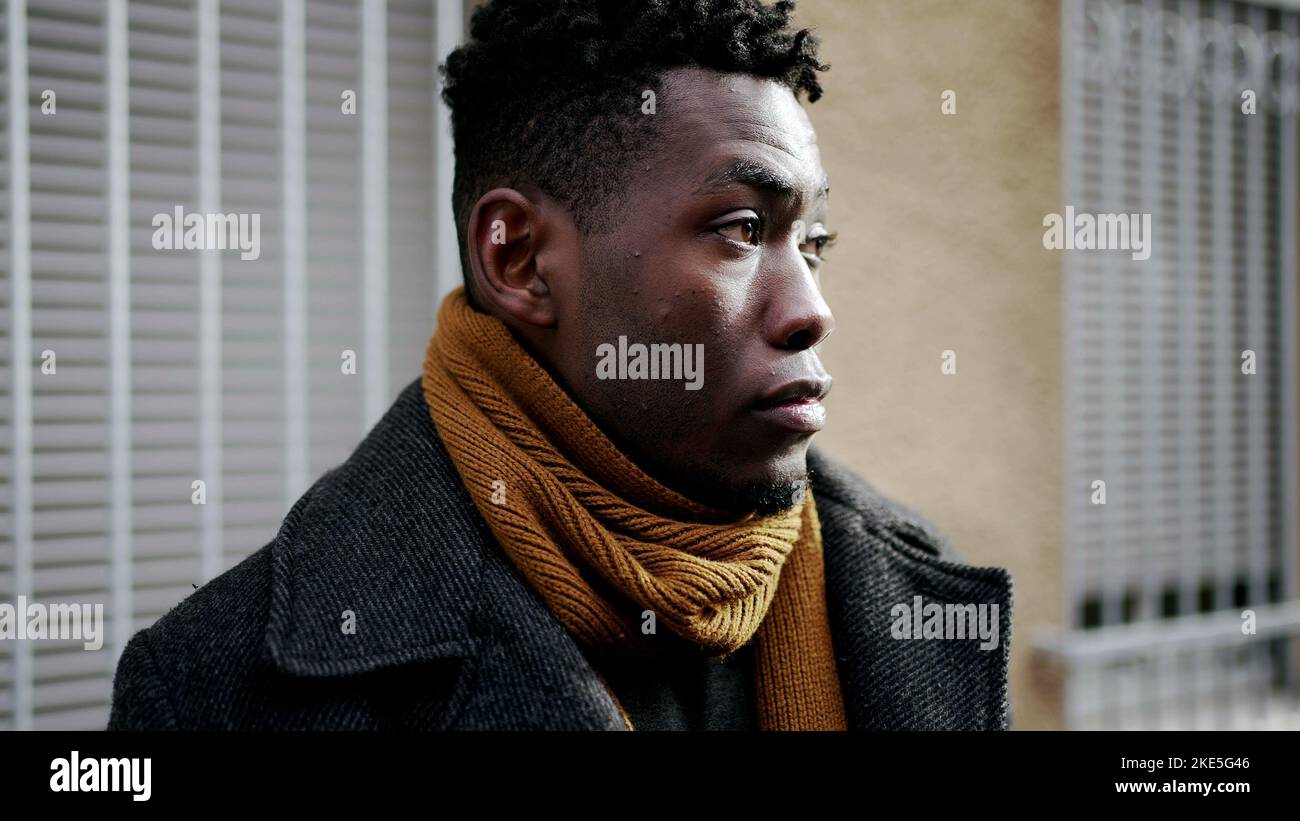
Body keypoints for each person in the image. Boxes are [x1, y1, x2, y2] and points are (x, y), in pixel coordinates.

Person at [108, 0, 1012, 731]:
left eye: (811, 240)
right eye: (742, 229)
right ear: (519, 260)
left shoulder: (908, 586)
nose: (812, 307)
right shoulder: (218, 689)